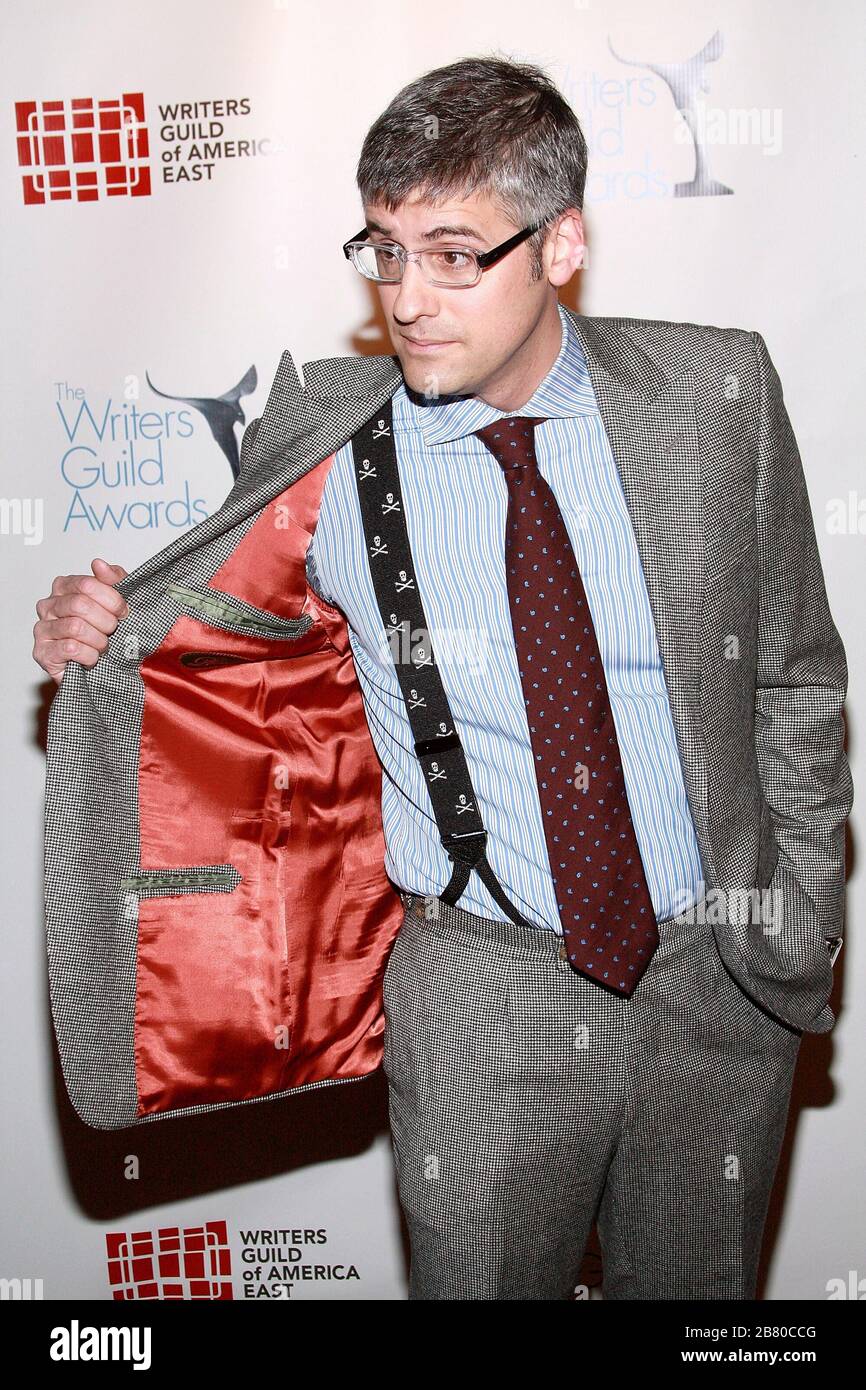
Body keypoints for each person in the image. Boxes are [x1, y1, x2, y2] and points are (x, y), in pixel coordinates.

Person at [32, 55, 852, 1300]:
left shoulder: (711, 395)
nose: (409, 298)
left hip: (715, 991)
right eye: (384, 249)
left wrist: (793, 916)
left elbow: (793, 677)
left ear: (560, 240)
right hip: (480, 997)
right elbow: (205, 646)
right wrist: (91, 631)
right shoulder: (323, 438)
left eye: (455, 253)